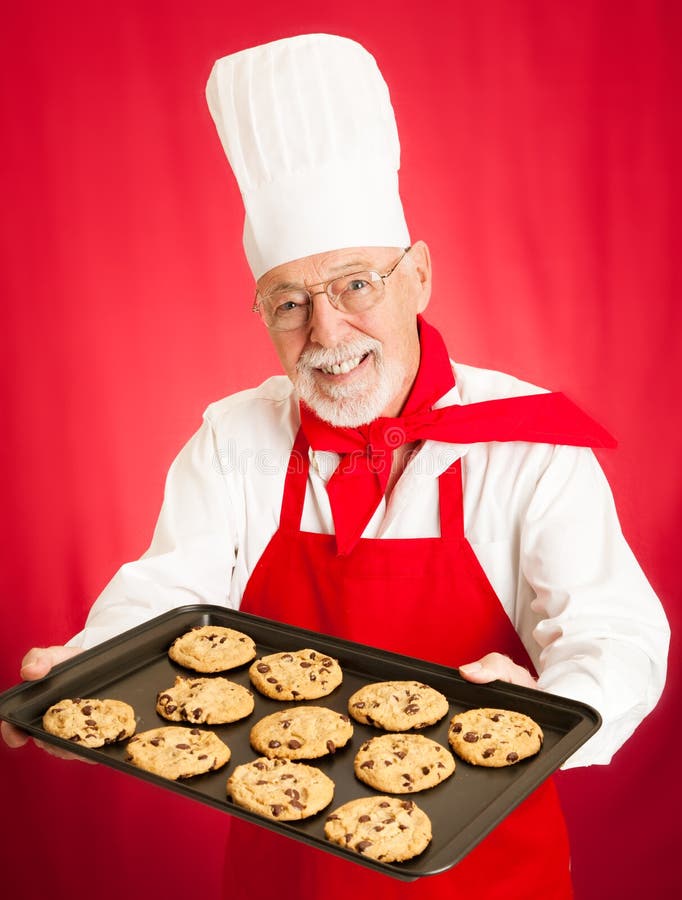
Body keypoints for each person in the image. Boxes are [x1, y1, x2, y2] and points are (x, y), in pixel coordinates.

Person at [2, 33, 670, 899]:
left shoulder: (525, 445)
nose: (327, 335)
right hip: (281, 868)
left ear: (418, 276)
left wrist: (549, 709)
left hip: (488, 869)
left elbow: (617, 638)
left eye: (357, 284)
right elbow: (165, 600)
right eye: (289, 302)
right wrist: (84, 667)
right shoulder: (234, 441)